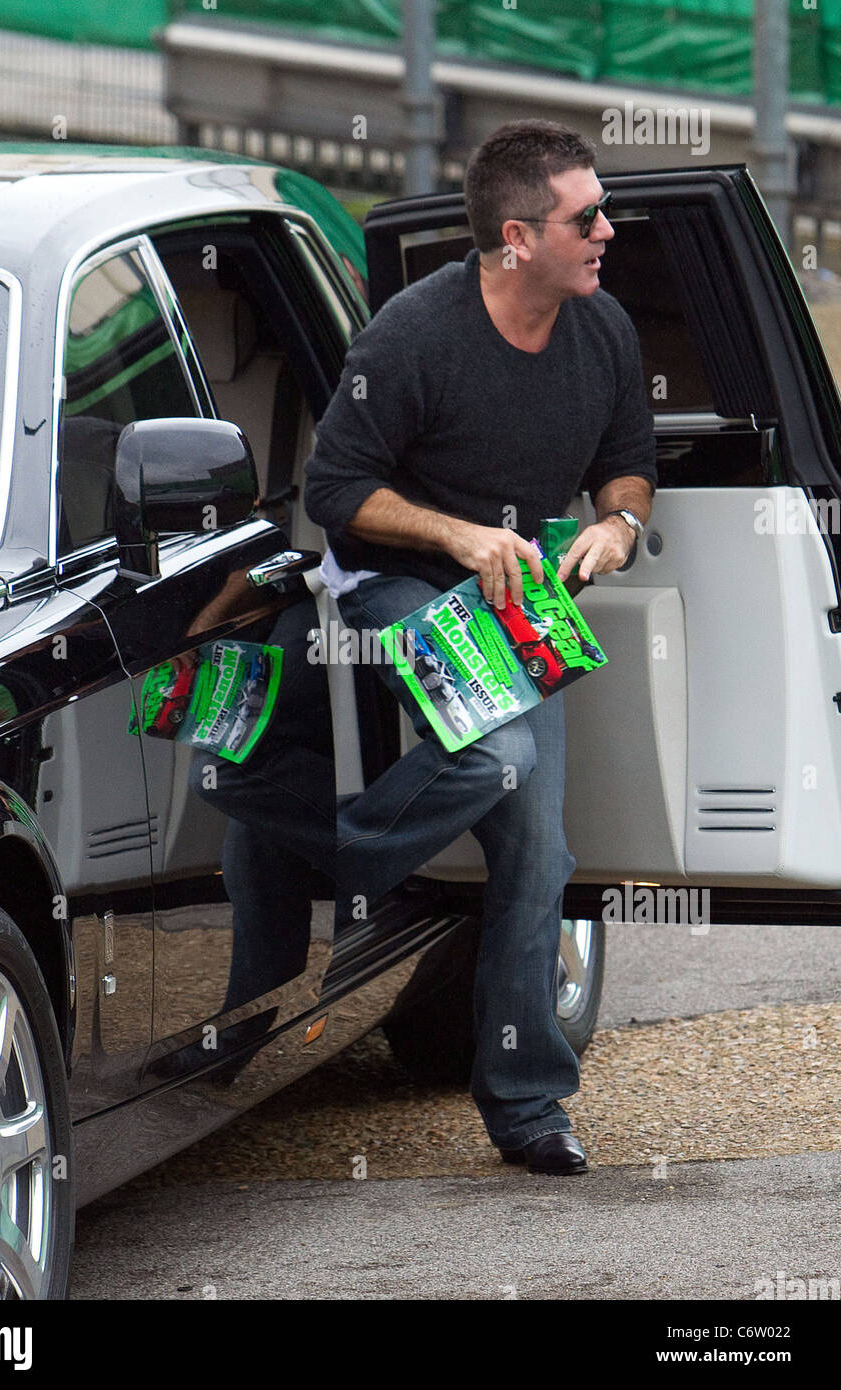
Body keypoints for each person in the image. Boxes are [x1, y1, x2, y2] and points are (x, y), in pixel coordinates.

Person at [303, 119, 658, 1174]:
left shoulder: (603, 330)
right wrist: (456, 533)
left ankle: (527, 1102)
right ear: (516, 237)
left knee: (541, 851)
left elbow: (630, 461)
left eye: (602, 209)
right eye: (584, 217)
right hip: (402, 581)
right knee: (499, 753)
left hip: (516, 604)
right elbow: (333, 492)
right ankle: (329, 856)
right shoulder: (415, 337)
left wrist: (618, 525)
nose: (607, 230)